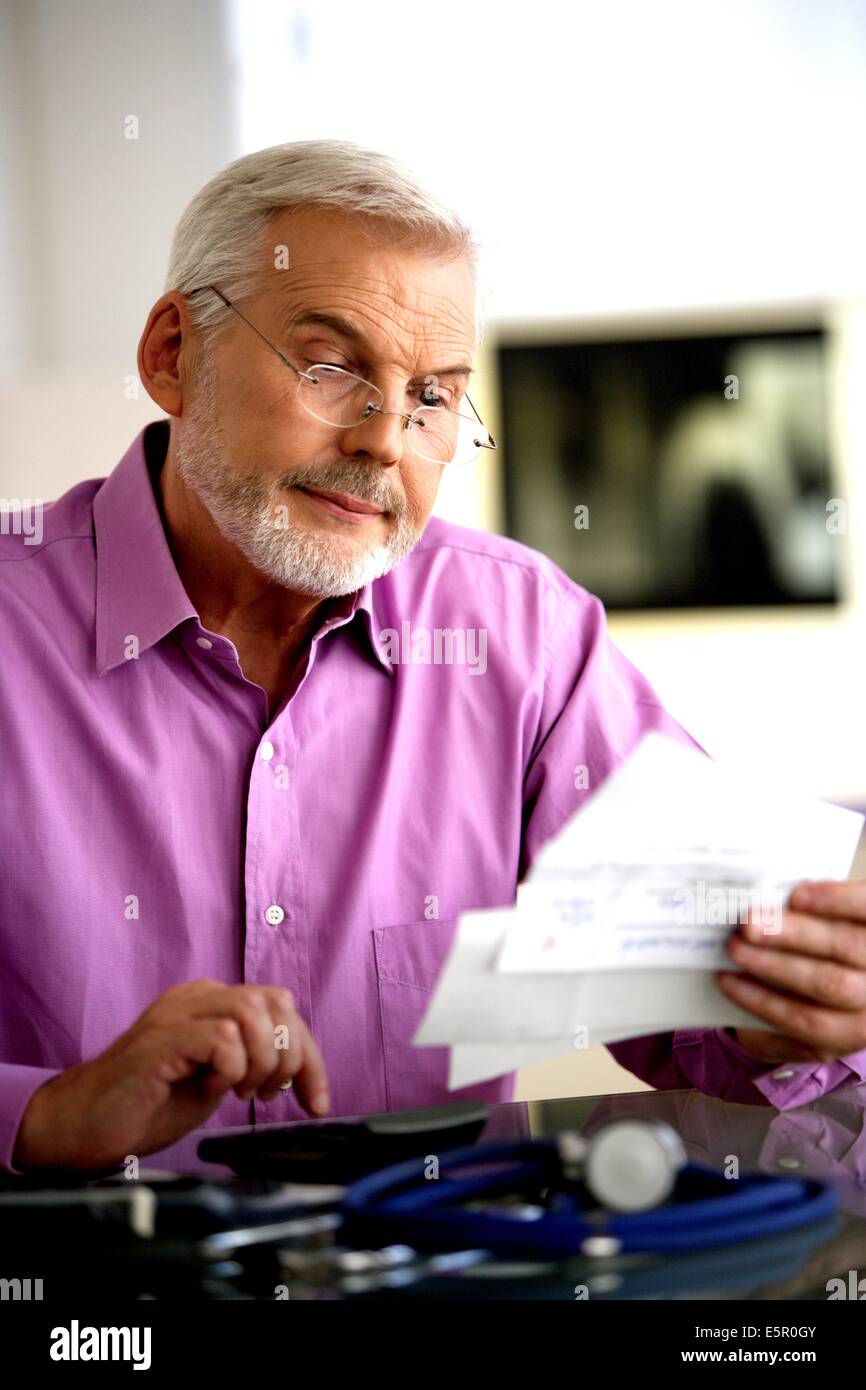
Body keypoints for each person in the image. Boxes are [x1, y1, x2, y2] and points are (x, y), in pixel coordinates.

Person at [2, 140, 865, 1174]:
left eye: (432, 397)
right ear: (171, 353)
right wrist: (43, 1113)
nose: (383, 440)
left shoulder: (523, 637)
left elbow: (700, 1000)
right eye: (330, 367)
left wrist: (782, 1017)